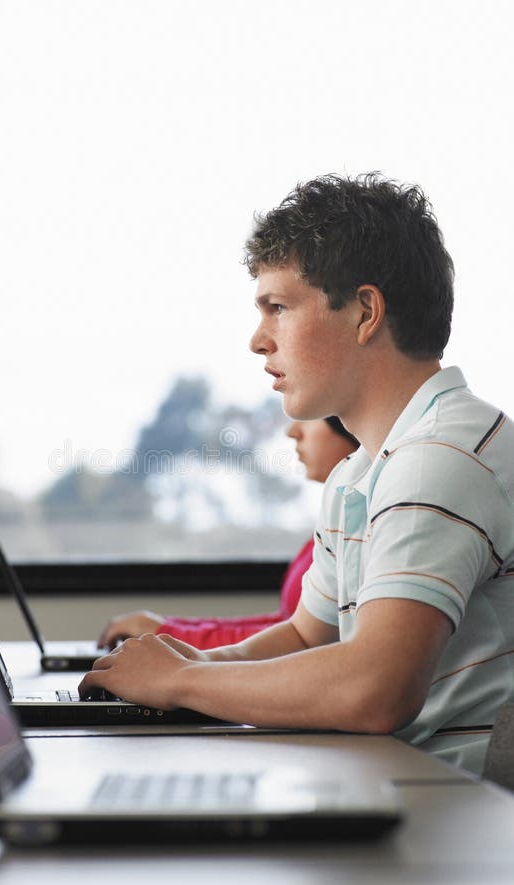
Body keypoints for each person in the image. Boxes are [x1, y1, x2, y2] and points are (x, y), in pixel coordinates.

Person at [80, 173, 514, 774]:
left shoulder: (439, 458)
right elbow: (309, 638)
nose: (258, 341)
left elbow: (375, 688)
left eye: (278, 308)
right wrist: (198, 666)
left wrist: (181, 683)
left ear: (365, 312)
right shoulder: (362, 471)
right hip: (400, 783)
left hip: (459, 814)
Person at [97, 417, 359, 649]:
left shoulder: (360, 527)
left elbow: (296, 640)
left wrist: (168, 634)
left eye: (312, 417)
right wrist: (165, 628)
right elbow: (286, 626)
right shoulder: (333, 524)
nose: (292, 431)